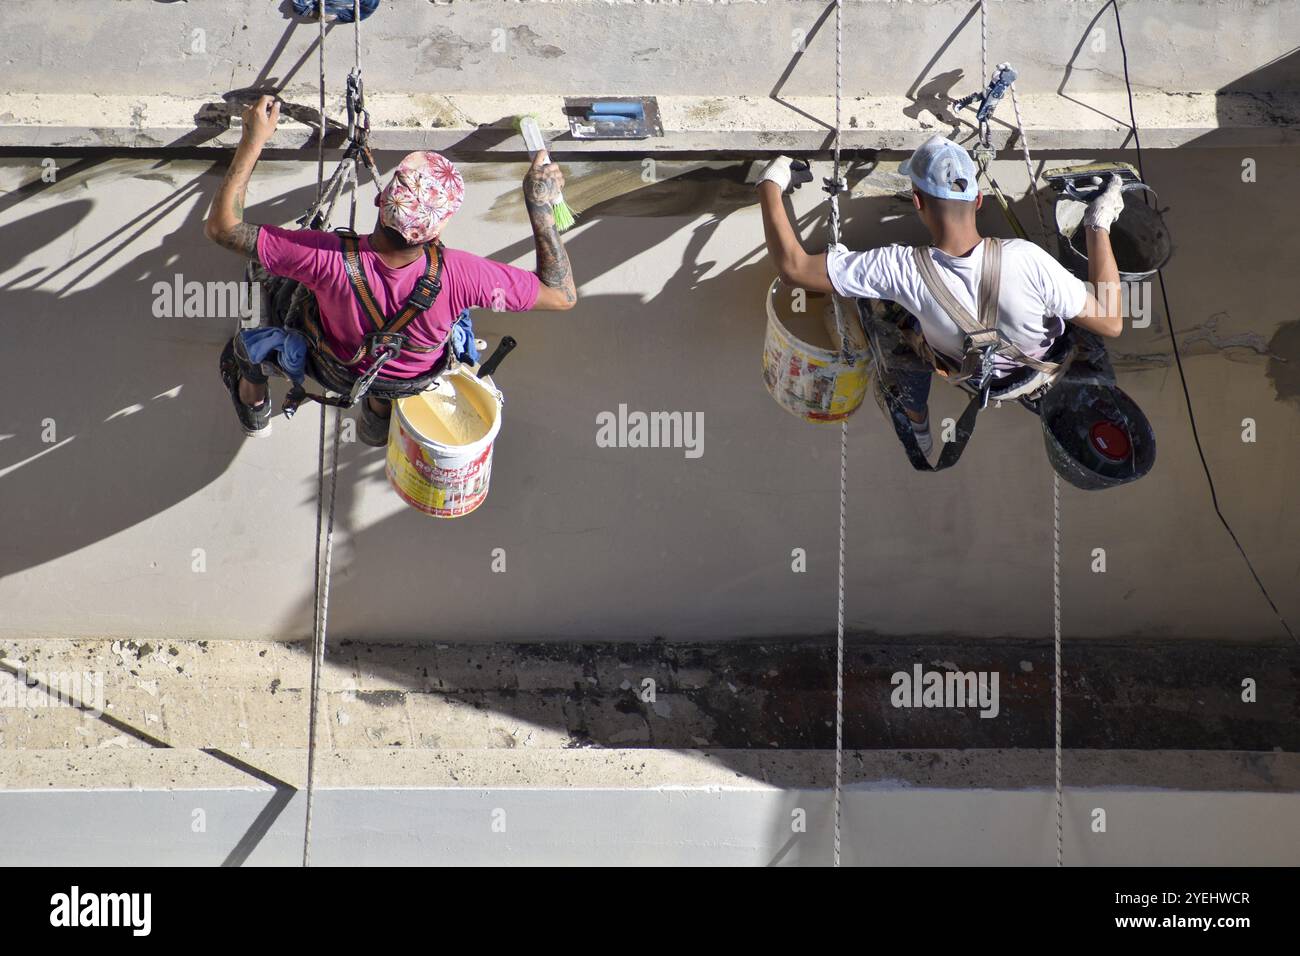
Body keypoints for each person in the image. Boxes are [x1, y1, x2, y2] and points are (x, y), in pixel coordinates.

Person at [204, 95, 577, 444]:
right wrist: (540, 204)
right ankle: (376, 423)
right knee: (386, 378)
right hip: (412, 381)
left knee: (245, 338)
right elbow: (561, 295)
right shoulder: (463, 275)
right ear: (438, 227)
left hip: (332, 367)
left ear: (381, 199)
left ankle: (254, 406)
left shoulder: (324, 257)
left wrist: (252, 139)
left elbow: (223, 228)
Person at [756, 134, 1125, 455]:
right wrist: (1097, 226)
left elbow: (794, 269)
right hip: (1041, 373)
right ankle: (1089, 399)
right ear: (978, 200)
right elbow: (1110, 322)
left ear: (917, 201)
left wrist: (772, 182)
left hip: (973, 377)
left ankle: (914, 416)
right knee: (1079, 291)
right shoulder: (1029, 260)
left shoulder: (899, 268)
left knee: (876, 303)